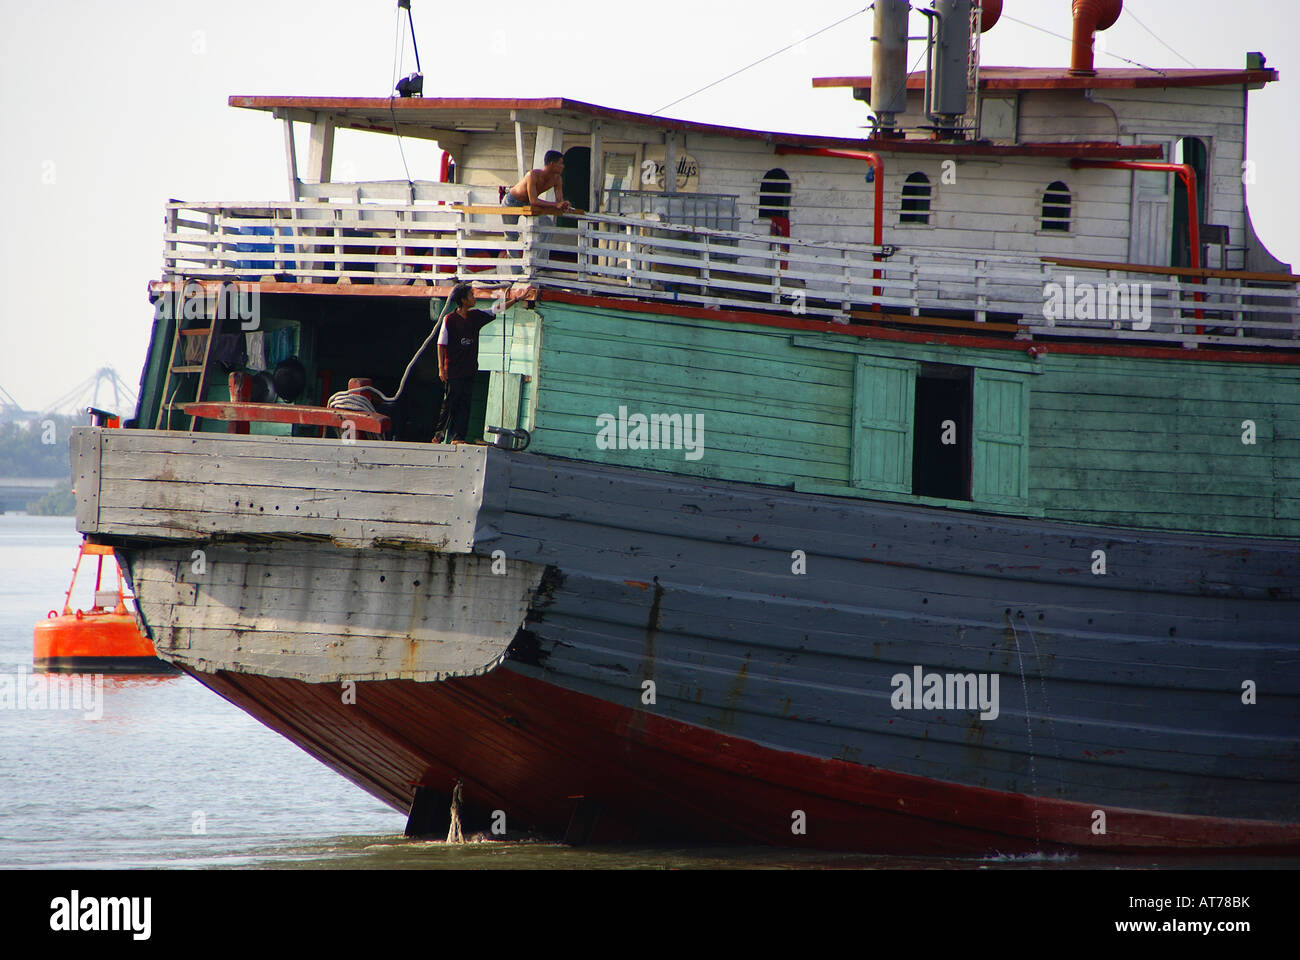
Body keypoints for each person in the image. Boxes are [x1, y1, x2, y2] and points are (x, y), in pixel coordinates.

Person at [435, 282, 526, 443]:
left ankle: (458, 437)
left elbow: (495, 310)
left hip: (469, 370)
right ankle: (439, 434)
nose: (474, 298)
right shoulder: (450, 319)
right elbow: (441, 344)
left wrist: (516, 300)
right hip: (453, 370)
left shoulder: (475, 316)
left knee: (465, 405)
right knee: (451, 402)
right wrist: (441, 368)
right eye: (471, 295)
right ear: (463, 300)